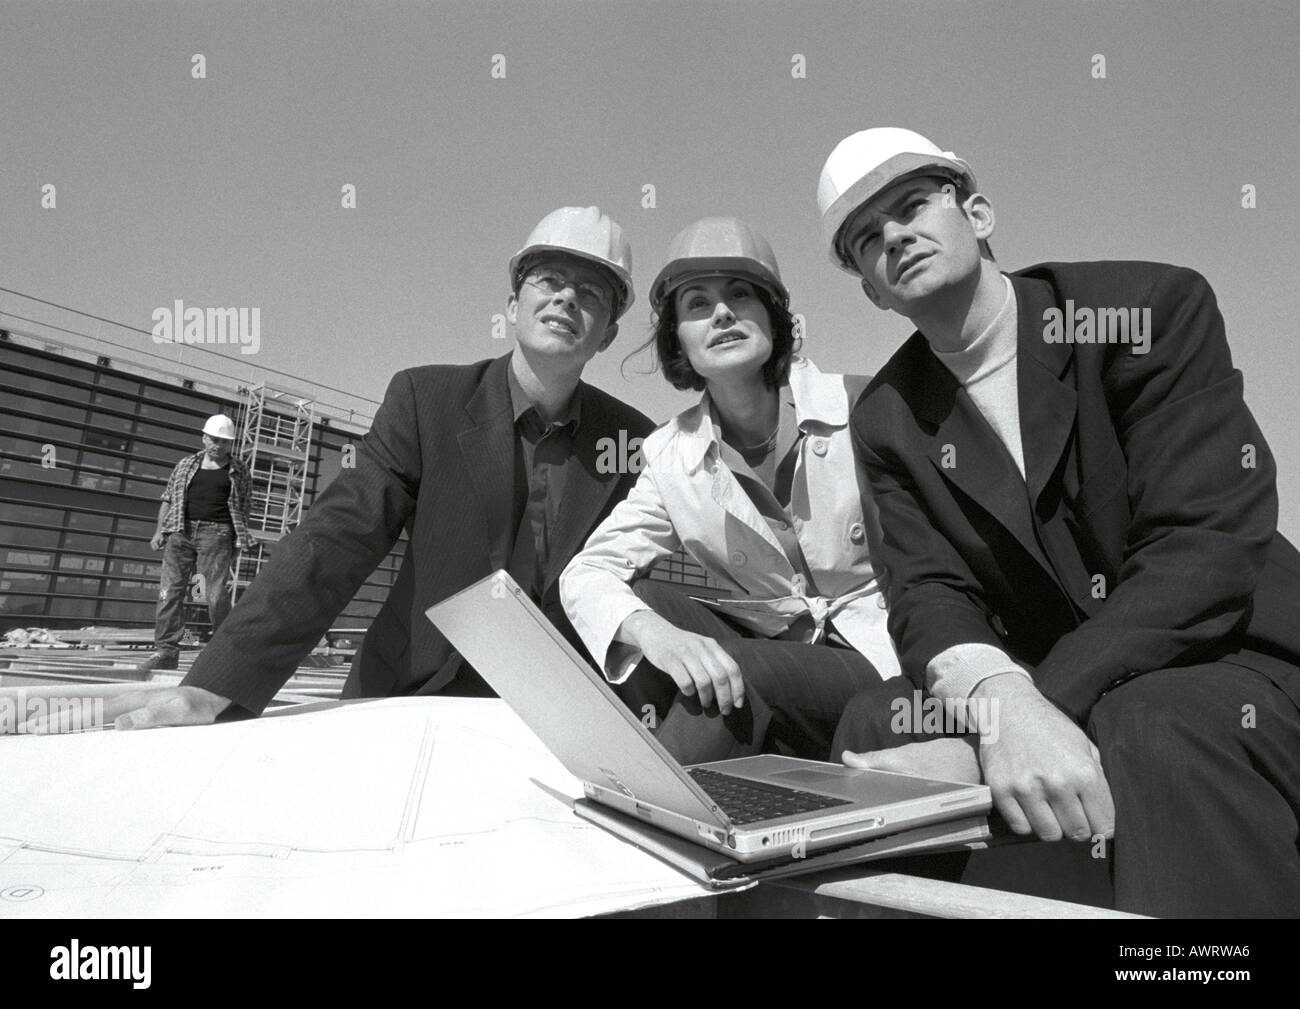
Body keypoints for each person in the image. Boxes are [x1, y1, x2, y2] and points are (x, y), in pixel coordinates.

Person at [817, 127, 1300, 916]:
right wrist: (1003, 709)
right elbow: (928, 594)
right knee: (880, 718)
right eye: (867, 239)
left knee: (1148, 718)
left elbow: (1203, 548)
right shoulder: (885, 417)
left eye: (912, 206)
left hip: (1238, 659)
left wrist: (1008, 722)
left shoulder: (1140, 311)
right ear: (872, 289)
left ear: (978, 212)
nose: (894, 236)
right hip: (1048, 668)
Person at [75, 206, 655, 729]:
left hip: (552, 722)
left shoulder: (633, 444)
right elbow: (338, 537)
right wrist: (217, 683)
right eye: (548, 281)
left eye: (590, 292)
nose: (565, 299)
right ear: (511, 306)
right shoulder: (428, 402)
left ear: (607, 334)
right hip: (408, 692)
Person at [560, 217, 901, 764]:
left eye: (740, 295)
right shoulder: (669, 453)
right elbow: (587, 572)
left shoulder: (863, 406)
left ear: (774, 317)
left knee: (738, 668)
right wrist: (656, 635)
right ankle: (694, 772)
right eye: (696, 304)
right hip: (779, 647)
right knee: (644, 606)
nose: (721, 314)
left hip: (877, 656)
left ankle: (659, 820)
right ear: (679, 341)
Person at [138, 413, 255, 673]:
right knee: (169, 592)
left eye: (225, 442)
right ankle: (166, 652)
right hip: (180, 531)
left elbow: (244, 507)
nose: (219, 445)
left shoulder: (239, 470)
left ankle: (226, 652)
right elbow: (168, 498)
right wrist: (160, 530)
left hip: (217, 534)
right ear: (204, 438)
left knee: (214, 594)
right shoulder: (185, 465)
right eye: (214, 439)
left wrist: (237, 543)